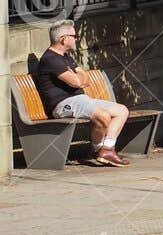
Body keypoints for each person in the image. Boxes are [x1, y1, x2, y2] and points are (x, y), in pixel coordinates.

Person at [31, 20, 131, 166]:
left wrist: (79, 77)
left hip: (81, 99)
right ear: (64, 39)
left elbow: (85, 79)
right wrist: (79, 78)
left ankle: (107, 149)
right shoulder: (50, 59)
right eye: (74, 36)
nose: (76, 39)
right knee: (103, 116)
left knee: (122, 110)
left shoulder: (66, 57)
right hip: (64, 104)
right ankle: (97, 150)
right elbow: (77, 82)